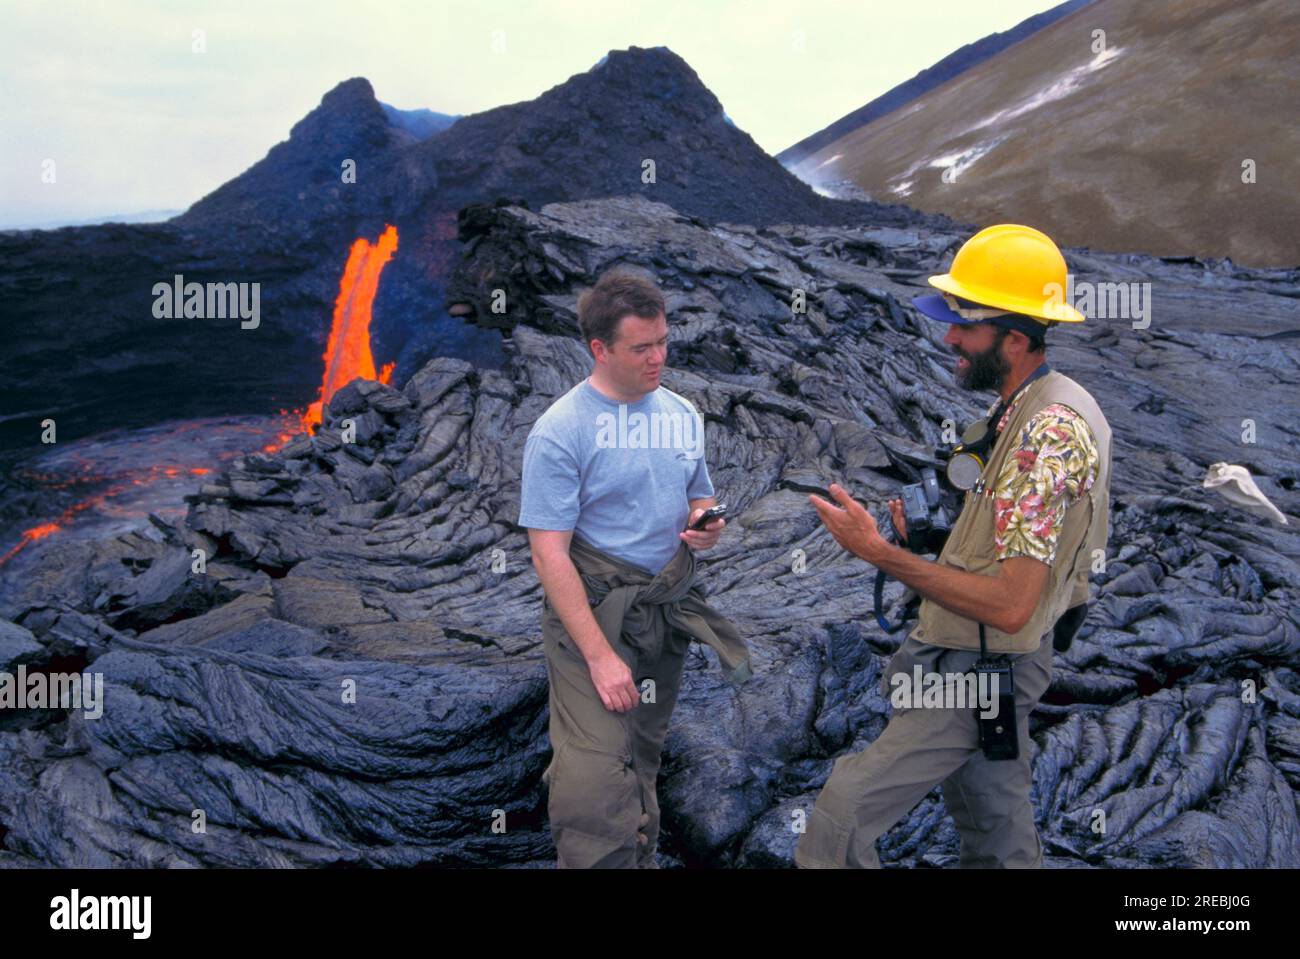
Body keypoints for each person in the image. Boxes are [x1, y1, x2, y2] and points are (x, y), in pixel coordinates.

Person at [796, 224, 1112, 868]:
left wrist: (882, 555)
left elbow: (1010, 605)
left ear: (1016, 340)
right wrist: (940, 536)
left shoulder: (1046, 435)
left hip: (982, 669)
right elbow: (1017, 529)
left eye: (965, 325)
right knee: (995, 824)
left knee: (842, 813)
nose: (949, 338)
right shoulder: (1028, 402)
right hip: (993, 661)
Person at [518, 269, 753, 869]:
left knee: (643, 753)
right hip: (592, 614)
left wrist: (706, 522)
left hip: (661, 612)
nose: (658, 358)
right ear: (599, 349)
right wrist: (600, 657)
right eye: (641, 348)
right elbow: (548, 553)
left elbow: (697, 492)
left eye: (663, 342)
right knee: (593, 774)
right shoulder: (561, 431)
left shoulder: (680, 413)